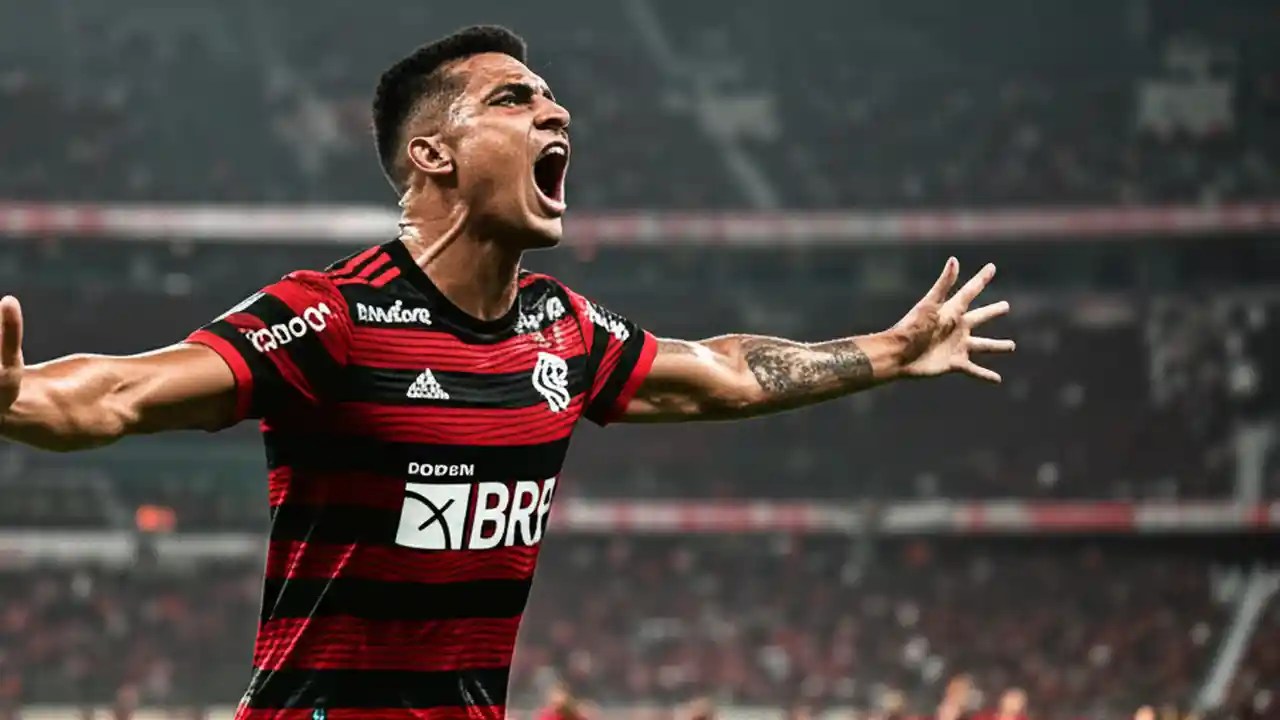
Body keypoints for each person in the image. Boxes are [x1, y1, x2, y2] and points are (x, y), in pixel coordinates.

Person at [0, 25, 1014, 720]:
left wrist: (889, 350)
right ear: (435, 154)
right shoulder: (334, 316)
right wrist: (17, 398)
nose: (553, 112)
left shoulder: (561, 332)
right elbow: (121, 391)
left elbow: (720, 372)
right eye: (514, 99)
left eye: (552, 98)